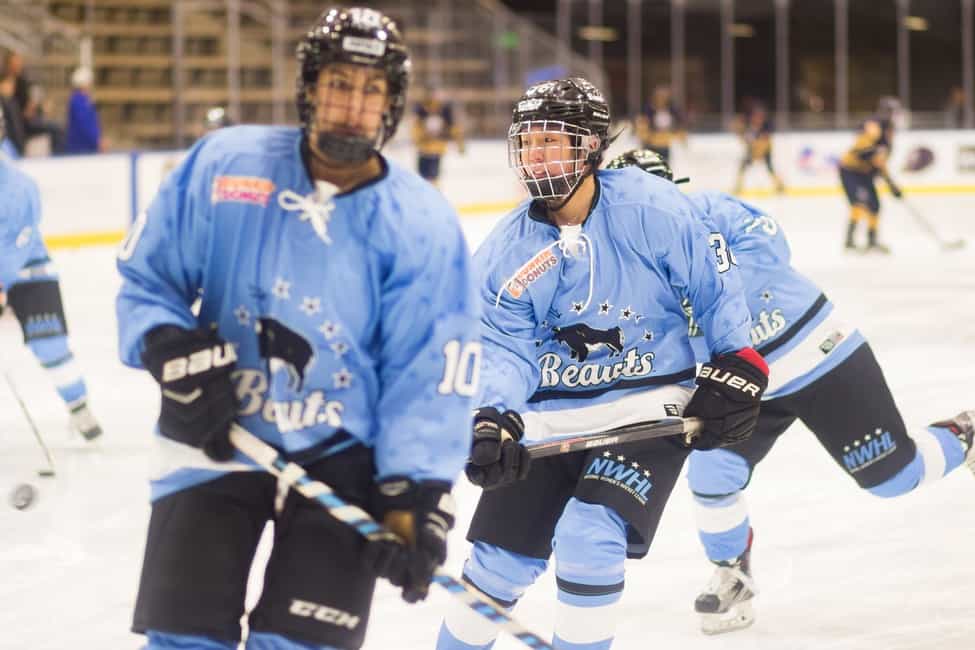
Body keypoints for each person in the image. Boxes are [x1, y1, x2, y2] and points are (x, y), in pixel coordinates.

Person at [115, 7, 479, 650]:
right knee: (182, 643)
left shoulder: (422, 222)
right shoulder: (228, 166)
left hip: (342, 453)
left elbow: (428, 370)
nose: (353, 105)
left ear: (392, 106)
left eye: (372, 91)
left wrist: (416, 491)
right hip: (214, 431)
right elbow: (149, 281)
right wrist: (168, 347)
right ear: (310, 88)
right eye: (340, 82)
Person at [436, 78, 769, 650]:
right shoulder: (506, 249)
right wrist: (493, 415)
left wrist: (737, 359)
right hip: (552, 417)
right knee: (495, 567)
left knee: (590, 536)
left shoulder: (651, 207)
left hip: (645, 409)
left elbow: (713, 288)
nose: (535, 156)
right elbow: (504, 348)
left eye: (551, 141)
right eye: (527, 143)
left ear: (590, 146)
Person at [608, 148, 975, 635]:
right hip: (745, 385)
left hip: (818, 355)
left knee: (894, 477)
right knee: (712, 474)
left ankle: (966, 433)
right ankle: (733, 574)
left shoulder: (714, 211)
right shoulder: (627, 267)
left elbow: (770, 248)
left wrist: (708, 287)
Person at [0, 107, 103, 441]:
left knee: (50, 343)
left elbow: (18, 240)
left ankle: (79, 408)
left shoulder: (16, 186)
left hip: (30, 268)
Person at [838, 96, 903, 253]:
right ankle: (849, 240)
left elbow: (881, 160)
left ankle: (872, 240)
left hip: (865, 173)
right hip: (850, 170)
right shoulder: (873, 126)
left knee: (874, 205)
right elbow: (861, 151)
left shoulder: (888, 131)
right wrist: (888, 180)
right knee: (859, 203)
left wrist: (890, 183)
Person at [411, 86, 465, 185]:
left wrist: (459, 143)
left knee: (432, 178)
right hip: (425, 147)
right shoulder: (421, 109)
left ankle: (430, 195)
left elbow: (454, 127)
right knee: (424, 178)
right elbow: (415, 127)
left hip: (436, 148)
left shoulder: (445, 109)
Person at [732, 102, 785, 195]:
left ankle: (779, 185)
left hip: (764, 151)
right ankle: (738, 186)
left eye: (759, 117)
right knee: (743, 166)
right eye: (756, 116)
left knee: (770, 168)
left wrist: (758, 148)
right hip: (753, 151)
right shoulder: (750, 128)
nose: (757, 119)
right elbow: (745, 139)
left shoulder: (765, 128)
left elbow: (765, 141)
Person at [634, 84, 685, 164]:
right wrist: (644, 136)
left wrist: (681, 135)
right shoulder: (648, 110)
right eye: (660, 96)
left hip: (664, 145)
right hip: (650, 144)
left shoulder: (671, 110)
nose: (662, 99)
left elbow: (679, 125)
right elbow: (642, 125)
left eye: (664, 96)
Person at [65, 66, 102, 154]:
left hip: (85, 146)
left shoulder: (82, 100)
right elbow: (85, 124)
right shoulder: (79, 101)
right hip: (82, 148)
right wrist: (96, 140)